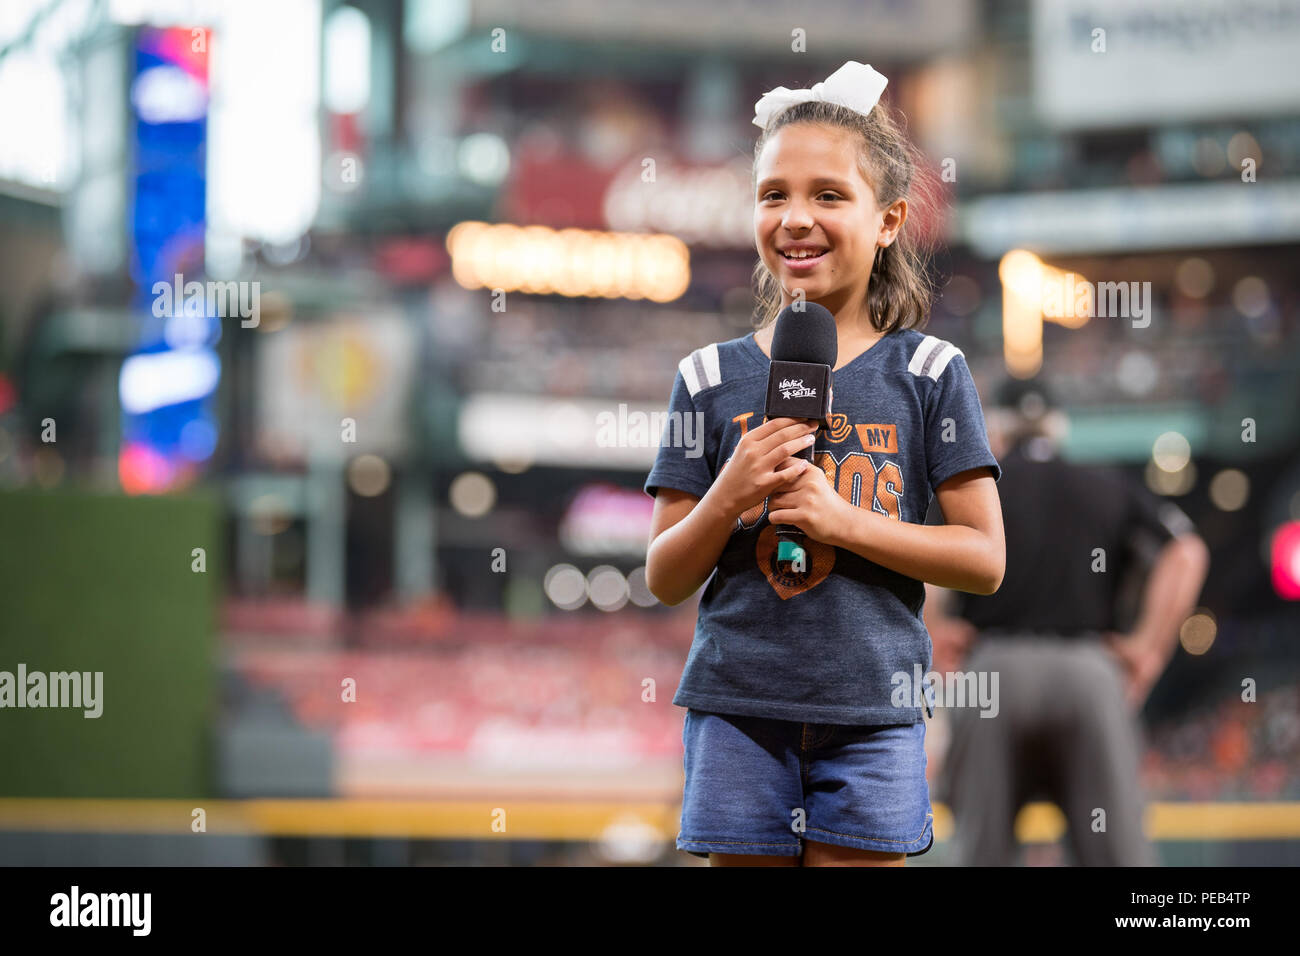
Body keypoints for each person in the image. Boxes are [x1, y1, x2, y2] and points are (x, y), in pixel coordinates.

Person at [642, 61, 1005, 867]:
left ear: (888, 221)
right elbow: (665, 575)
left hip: (875, 713)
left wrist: (845, 522)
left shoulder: (932, 372)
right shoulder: (705, 376)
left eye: (828, 195)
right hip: (736, 710)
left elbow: (982, 561)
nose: (795, 218)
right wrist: (728, 495)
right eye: (774, 195)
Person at [926, 375, 1210, 866]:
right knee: (1118, 855)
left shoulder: (975, 488)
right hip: (1089, 672)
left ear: (996, 428)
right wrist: (1148, 647)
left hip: (994, 672)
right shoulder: (1105, 483)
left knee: (981, 853)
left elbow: (923, 555)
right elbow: (1186, 551)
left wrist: (933, 628)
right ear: (1057, 428)